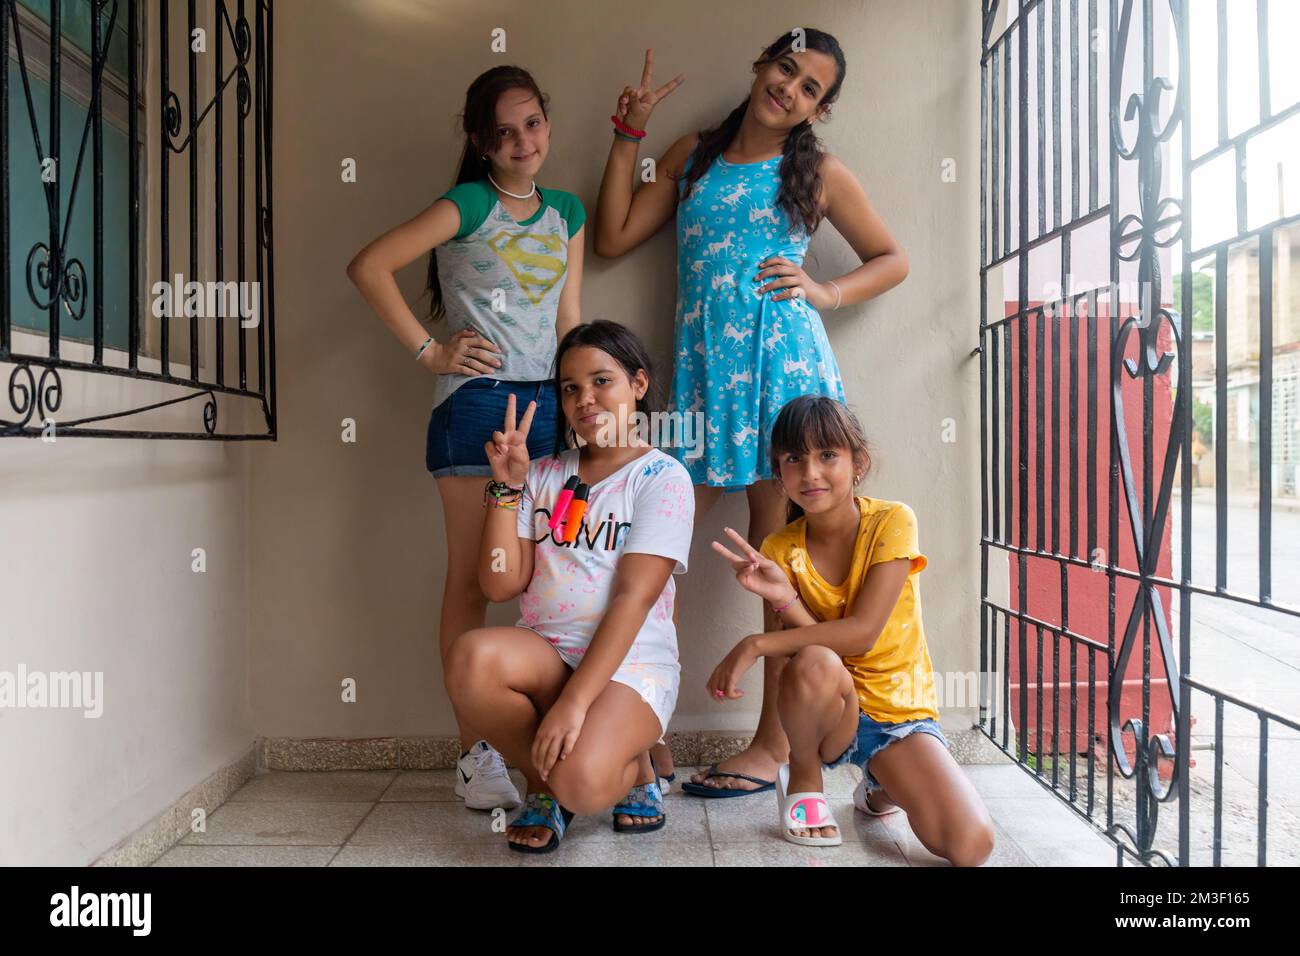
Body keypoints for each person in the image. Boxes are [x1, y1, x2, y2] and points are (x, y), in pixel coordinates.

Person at [593, 31, 909, 794]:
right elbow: (611, 237)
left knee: (775, 567)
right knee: (648, 550)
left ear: (819, 109)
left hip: (782, 377)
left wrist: (825, 291)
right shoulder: (693, 153)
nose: (790, 90)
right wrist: (627, 135)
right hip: (704, 383)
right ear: (761, 65)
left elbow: (891, 259)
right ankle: (634, 734)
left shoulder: (819, 171)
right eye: (785, 70)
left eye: (809, 89)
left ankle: (772, 748)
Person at [708, 395, 994, 863]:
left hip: (896, 715)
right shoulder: (780, 547)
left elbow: (861, 634)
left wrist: (756, 642)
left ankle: (880, 791)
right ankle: (802, 776)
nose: (811, 473)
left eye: (827, 455)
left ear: (857, 462)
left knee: (970, 846)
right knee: (815, 659)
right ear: (778, 473)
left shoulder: (892, 521)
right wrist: (783, 597)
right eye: (793, 459)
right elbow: (822, 650)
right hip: (829, 711)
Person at [445, 320, 695, 853]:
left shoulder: (662, 478)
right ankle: (543, 786)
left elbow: (633, 599)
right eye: (571, 387)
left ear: (639, 385)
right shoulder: (541, 474)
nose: (586, 399)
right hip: (550, 651)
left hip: (631, 664)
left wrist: (574, 704)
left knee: (581, 782)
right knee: (472, 658)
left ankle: (636, 768)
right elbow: (499, 583)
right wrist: (506, 489)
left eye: (602, 380)